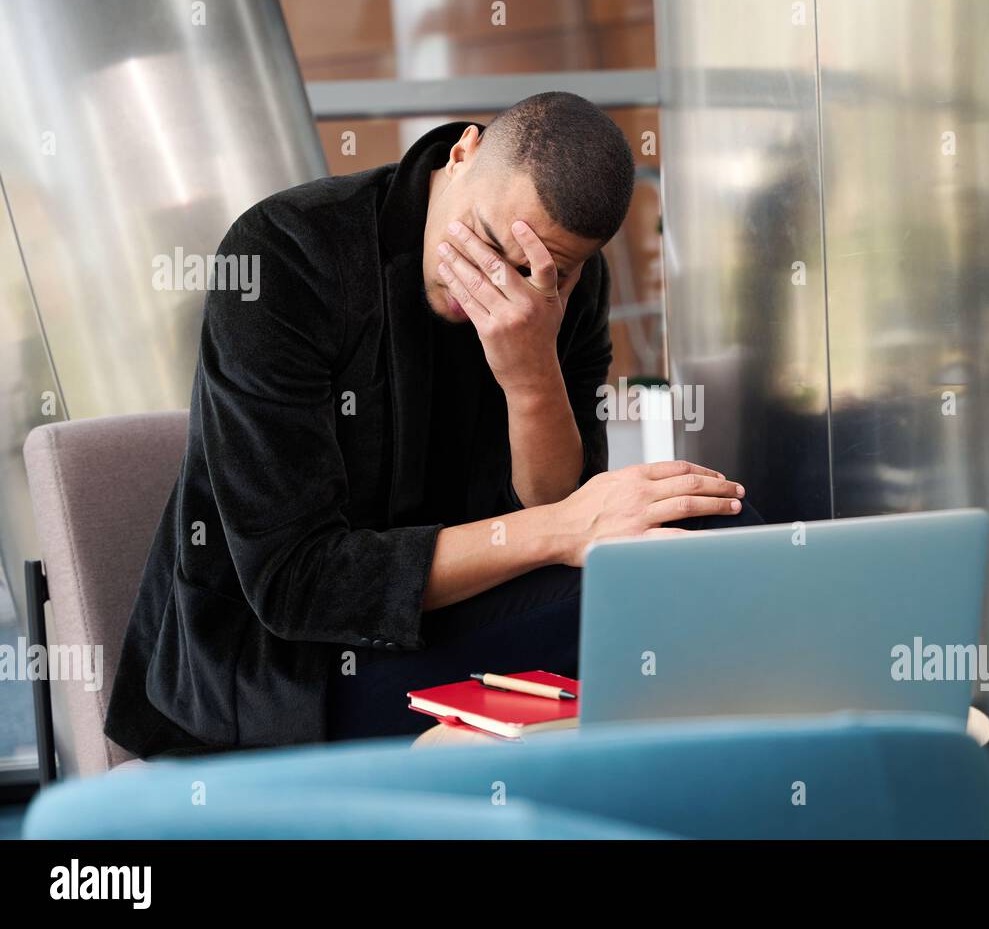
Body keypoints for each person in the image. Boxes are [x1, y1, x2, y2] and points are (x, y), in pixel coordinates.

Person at [104, 92, 754, 757]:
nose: (508, 280)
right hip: (288, 668)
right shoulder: (285, 255)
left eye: (549, 269)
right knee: (650, 605)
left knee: (717, 543)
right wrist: (562, 528)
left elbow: (566, 506)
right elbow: (296, 584)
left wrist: (530, 375)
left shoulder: (563, 280)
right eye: (494, 242)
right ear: (463, 152)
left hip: (469, 606)